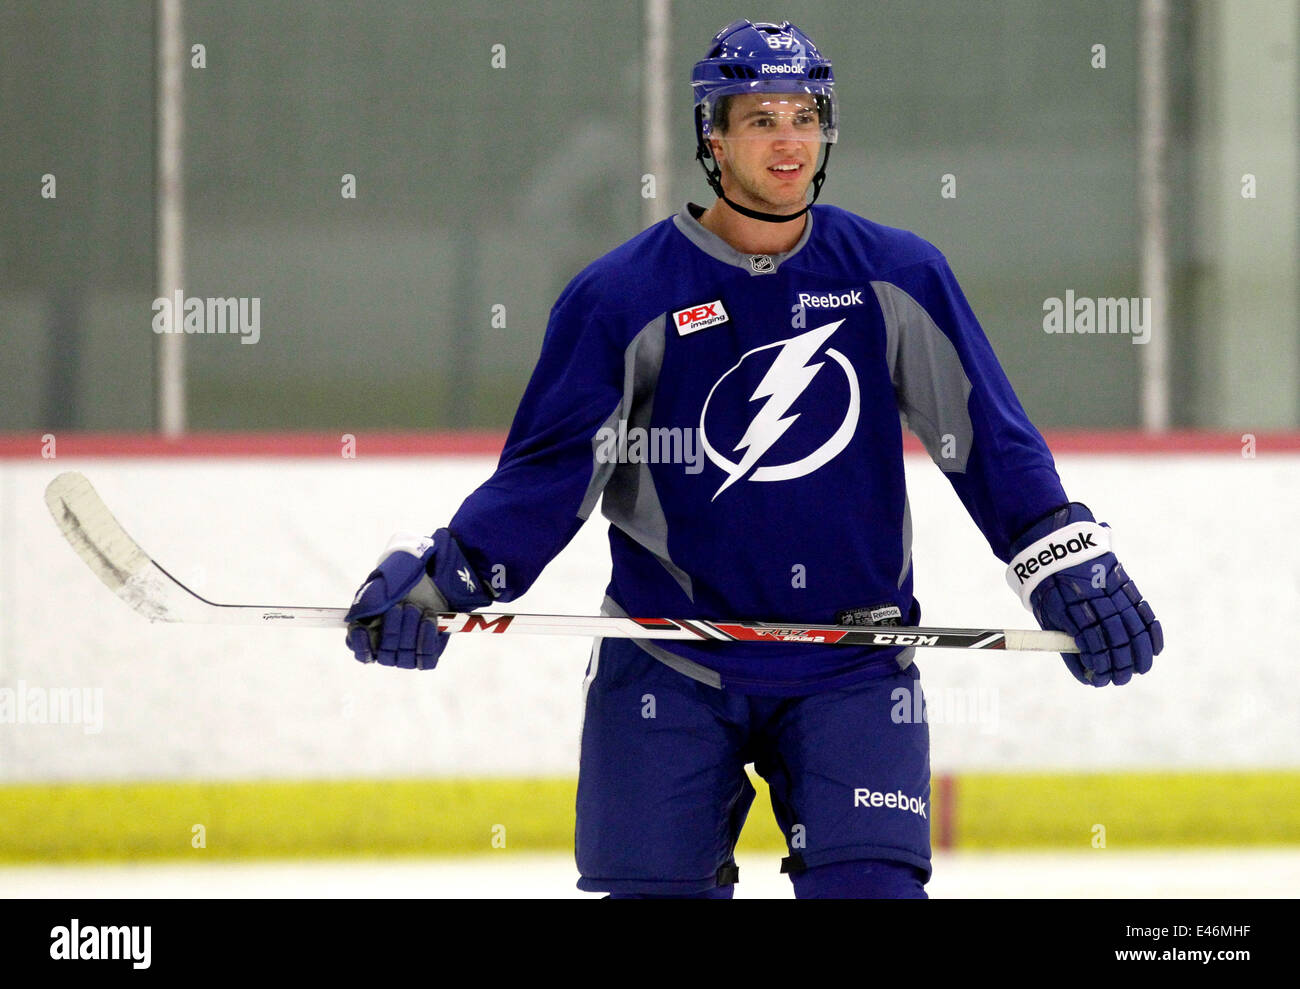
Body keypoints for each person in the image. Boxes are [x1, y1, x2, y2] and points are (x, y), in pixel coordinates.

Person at [344, 18, 1163, 899]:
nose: (788, 140)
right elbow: (547, 478)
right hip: (669, 660)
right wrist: (445, 584)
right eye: (762, 118)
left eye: (805, 116)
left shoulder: (896, 275)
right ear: (714, 136)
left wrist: (1059, 555)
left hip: (854, 663)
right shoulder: (623, 296)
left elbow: (988, 439)